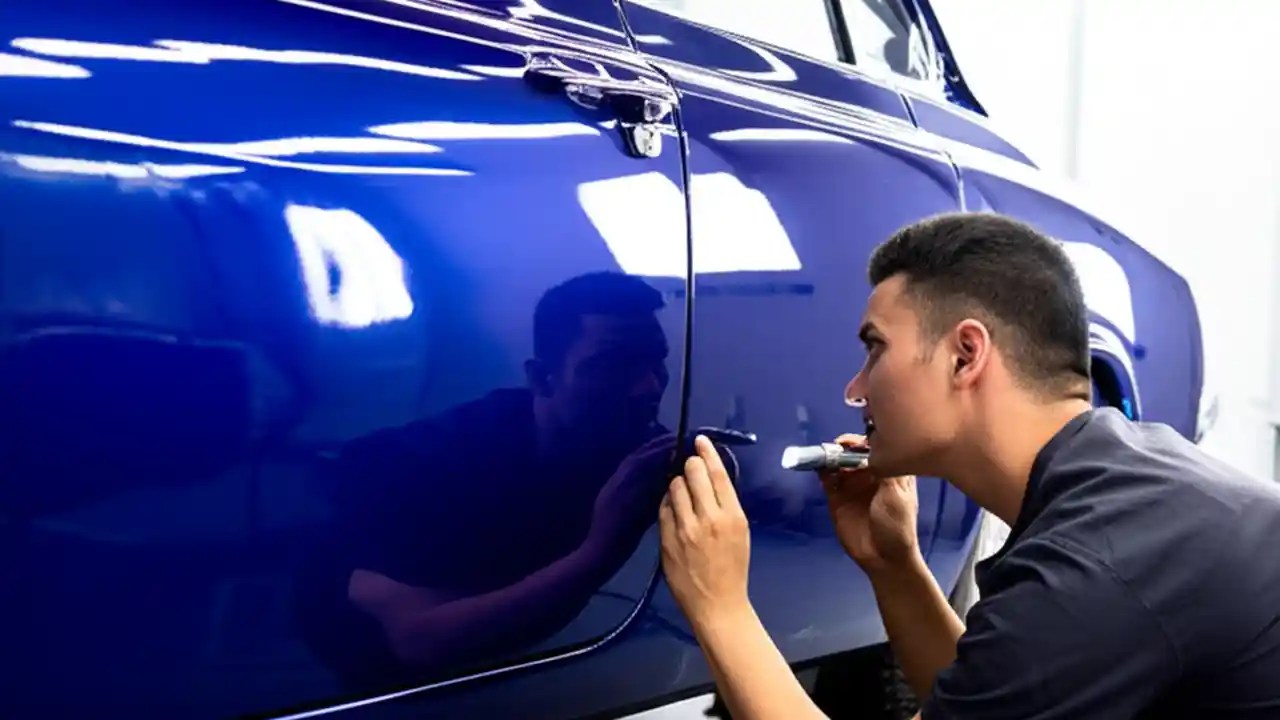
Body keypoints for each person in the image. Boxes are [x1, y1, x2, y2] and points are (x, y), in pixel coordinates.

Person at [659, 212, 1280, 719]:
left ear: (965, 355)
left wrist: (721, 609)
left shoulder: (1097, 567)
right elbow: (996, 698)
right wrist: (894, 565)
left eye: (874, 349)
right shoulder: (1124, 484)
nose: (855, 390)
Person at [298, 271, 679, 688]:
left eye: (655, 359)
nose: (648, 386)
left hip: (523, 672)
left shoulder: (622, 439)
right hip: (392, 693)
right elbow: (416, 639)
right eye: (613, 364)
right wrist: (602, 550)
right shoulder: (420, 467)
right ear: (542, 379)